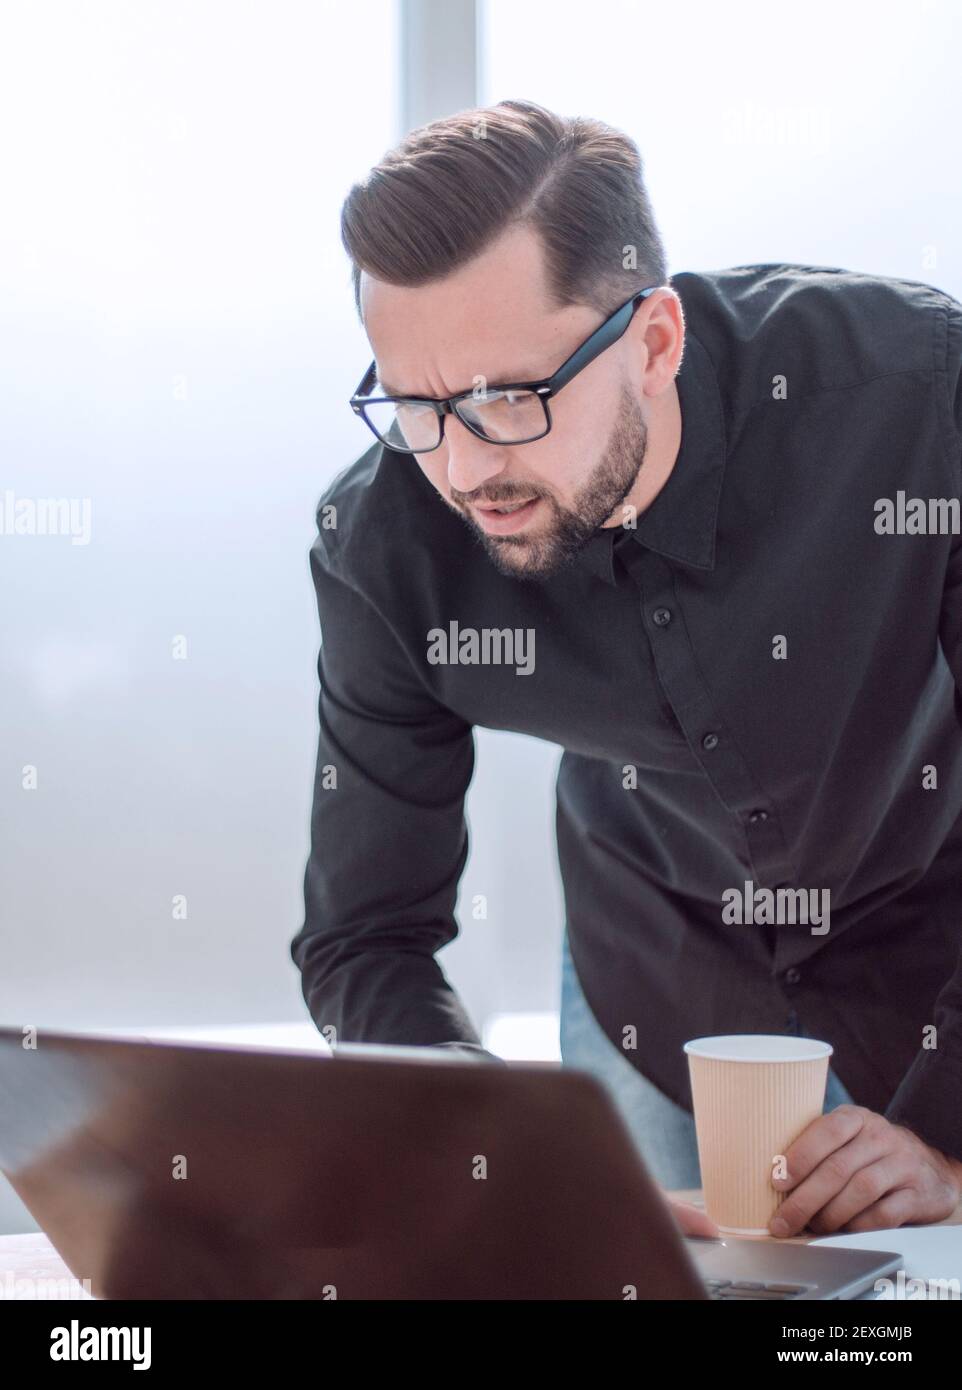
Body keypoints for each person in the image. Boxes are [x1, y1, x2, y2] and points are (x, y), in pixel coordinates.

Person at [291, 98, 962, 1239]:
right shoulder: (384, 545)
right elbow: (367, 935)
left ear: (652, 343)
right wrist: (497, 1155)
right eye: (415, 404)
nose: (462, 468)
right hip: (653, 978)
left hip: (926, 956)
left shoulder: (915, 403)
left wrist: (948, 1139)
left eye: (512, 397)